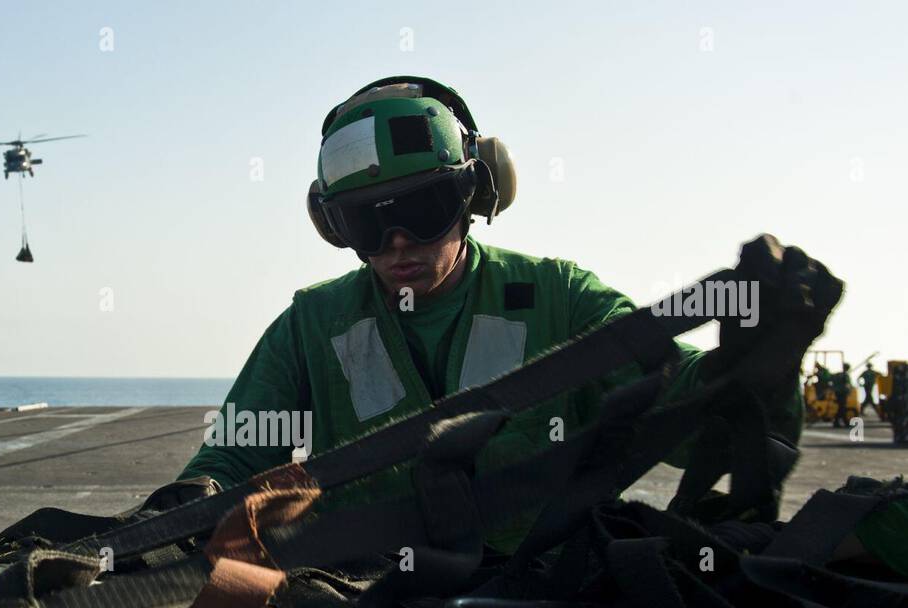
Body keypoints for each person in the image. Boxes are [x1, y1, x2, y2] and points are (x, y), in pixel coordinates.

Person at [175, 76, 820, 552]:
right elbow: (231, 457)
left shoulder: (558, 299)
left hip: (539, 604)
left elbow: (690, 418)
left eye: (423, 210)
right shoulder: (314, 323)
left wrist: (758, 360)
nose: (398, 242)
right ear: (331, 226)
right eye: (367, 223)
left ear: (474, 193)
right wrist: (183, 510)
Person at [832, 362, 852, 428]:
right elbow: (847, 385)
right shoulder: (846, 375)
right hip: (843, 393)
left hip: (837, 393)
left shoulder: (838, 374)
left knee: (841, 408)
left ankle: (838, 422)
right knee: (842, 408)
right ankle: (844, 423)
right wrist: (849, 391)